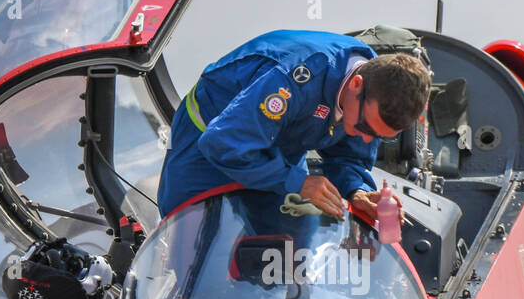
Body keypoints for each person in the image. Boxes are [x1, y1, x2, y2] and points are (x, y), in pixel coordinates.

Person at [156, 29, 430, 220]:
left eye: (381, 137)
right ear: (356, 85)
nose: (367, 140)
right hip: (210, 148)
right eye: (367, 129)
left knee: (288, 263)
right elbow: (223, 144)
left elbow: (349, 159)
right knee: (192, 259)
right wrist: (296, 181)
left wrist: (357, 191)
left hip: (280, 154)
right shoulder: (295, 78)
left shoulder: (372, 92)